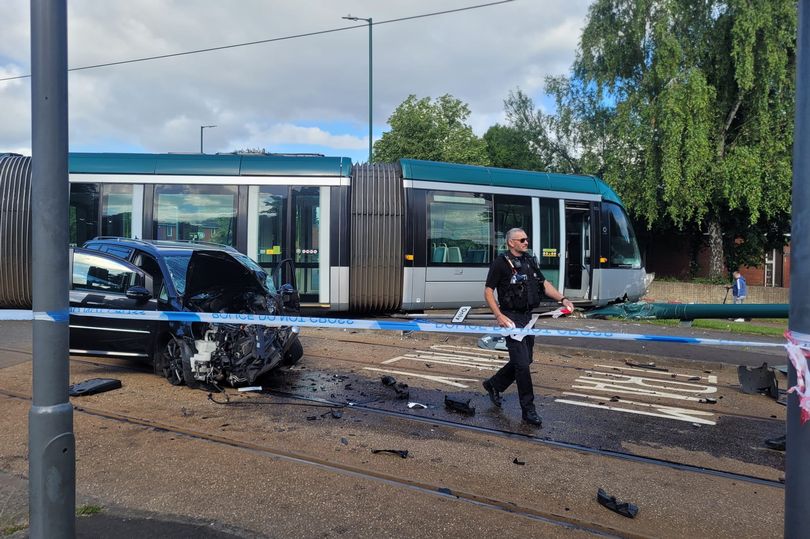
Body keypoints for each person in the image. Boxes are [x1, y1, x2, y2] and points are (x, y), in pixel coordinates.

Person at [482, 228, 575, 427]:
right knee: (522, 365)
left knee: (526, 359)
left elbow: (544, 284)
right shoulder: (500, 263)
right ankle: (528, 410)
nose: (526, 242)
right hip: (511, 318)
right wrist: (498, 315)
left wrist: (563, 299)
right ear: (511, 243)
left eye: (526, 239)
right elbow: (488, 291)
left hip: (529, 318)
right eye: (522, 240)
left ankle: (494, 384)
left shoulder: (529, 260)